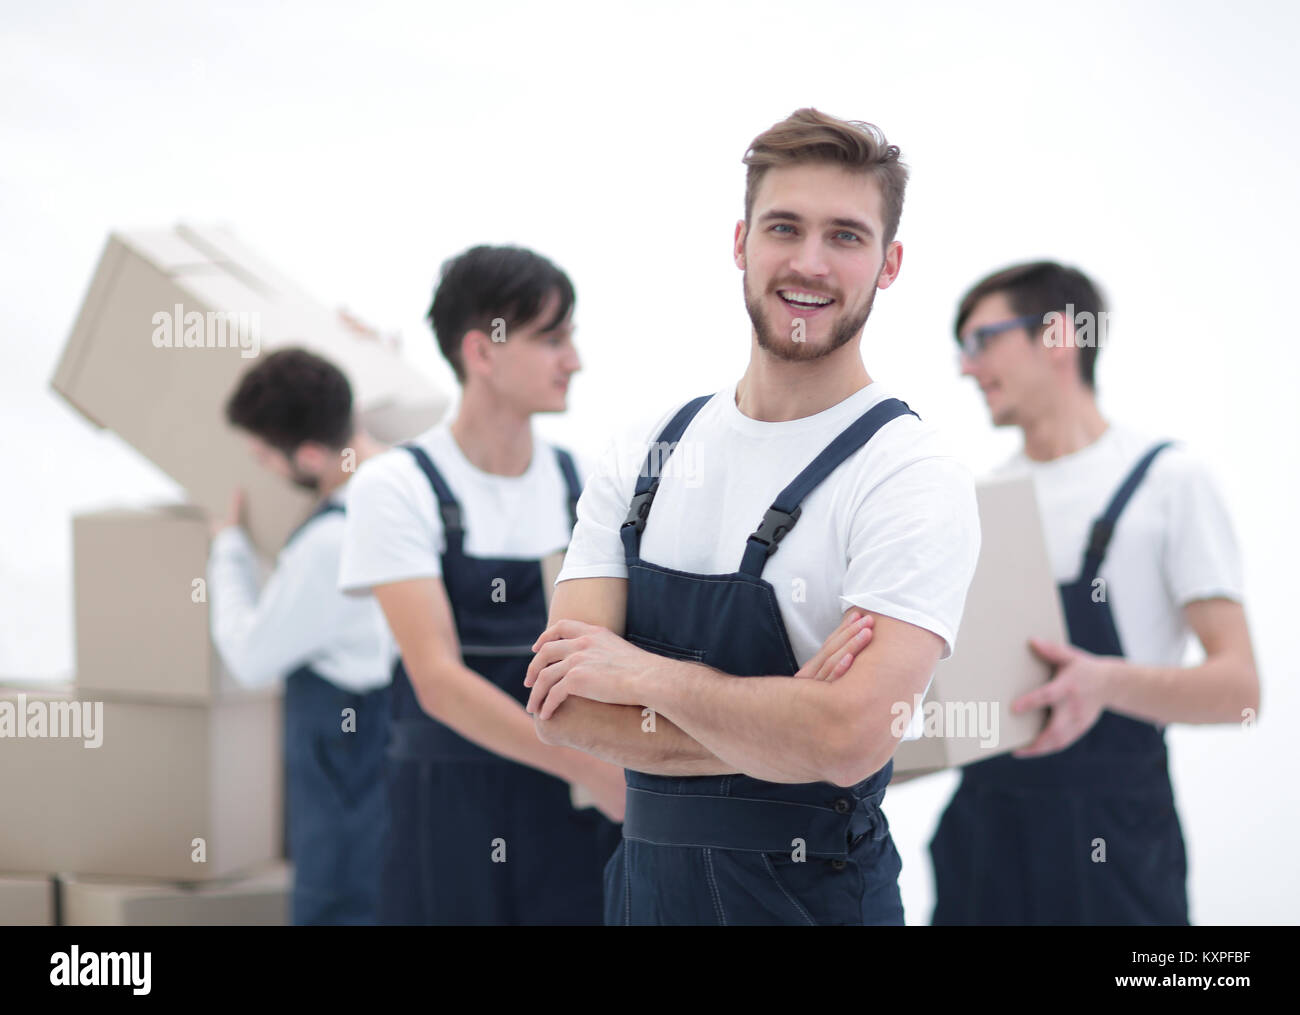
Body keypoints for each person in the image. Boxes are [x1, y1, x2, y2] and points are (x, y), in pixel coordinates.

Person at [524, 107, 981, 926]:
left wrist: (644, 676)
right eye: (784, 227)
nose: (809, 262)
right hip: (642, 897)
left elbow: (849, 735)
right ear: (740, 243)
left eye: (845, 235)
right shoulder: (645, 452)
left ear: (890, 262)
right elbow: (565, 707)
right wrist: (788, 724)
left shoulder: (909, 474)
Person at [930, 260, 1261, 925]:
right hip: (985, 834)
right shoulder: (977, 501)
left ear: (1057, 336)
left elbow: (1240, 690)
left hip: (1115, 842)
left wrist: (1105, 683)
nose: (967, 368)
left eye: (982, 341)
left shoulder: (1169, 481)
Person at [338, 245, 623, 925]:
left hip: (578, 818)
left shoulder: (583, 483)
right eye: (551, 338)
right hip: (449, 813)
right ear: (482, 351)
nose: (573, 360)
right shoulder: (397, 485)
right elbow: (437, 679)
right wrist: (589, 768)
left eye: (572, 337)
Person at [208, 347, 393, 925]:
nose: (260, 467)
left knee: (338, 906)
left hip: (347, 771)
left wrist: (227, 551)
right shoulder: (403, 482)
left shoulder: (328, 546)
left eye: (264, 455)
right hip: (387, 751)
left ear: (311, 455)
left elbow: (250, 656)